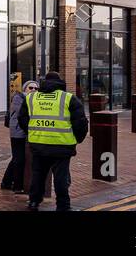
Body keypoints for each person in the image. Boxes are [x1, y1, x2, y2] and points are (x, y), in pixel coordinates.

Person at [17, 70, 88, 211]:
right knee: (61, 178)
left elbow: (22, 118)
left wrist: (32, 132)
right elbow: (81, 122)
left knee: (38, 175)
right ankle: (63, 206)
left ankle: (33, 202)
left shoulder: (31, 98)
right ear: (60, 82)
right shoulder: (68, 98)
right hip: (62, 145)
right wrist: (77, 139)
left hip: (38, 144)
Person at [0, 80, 38, 194]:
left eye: (36, 89)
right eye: (31, 88)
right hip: (17, 133)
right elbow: (24, 112)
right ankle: (17, 186)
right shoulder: (18, 98)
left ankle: (6, 182)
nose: (33, 90)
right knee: (19, 159)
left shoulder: (34, 100)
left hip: (26, 133)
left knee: (17, 159)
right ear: (25, 88)